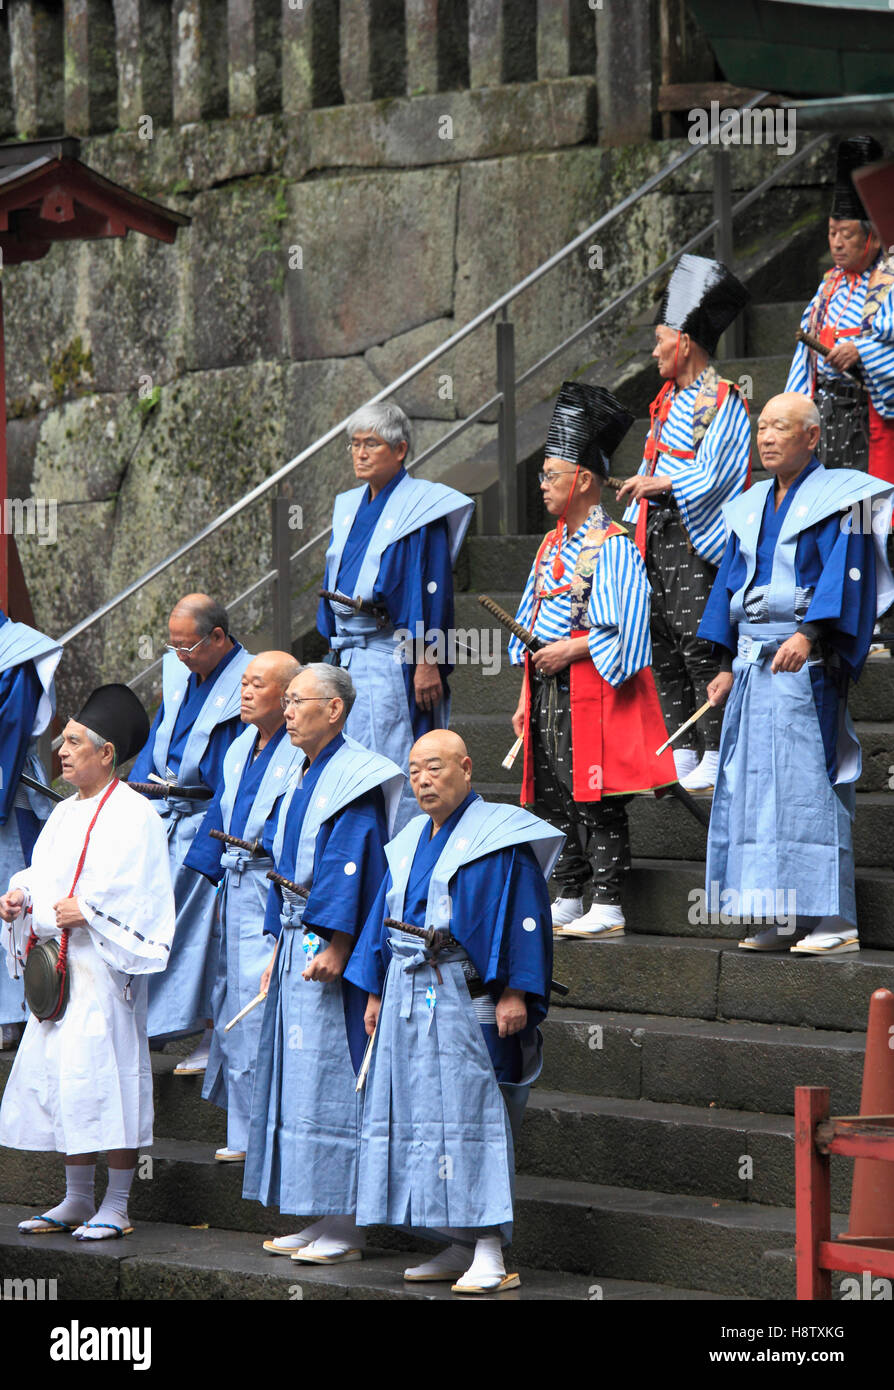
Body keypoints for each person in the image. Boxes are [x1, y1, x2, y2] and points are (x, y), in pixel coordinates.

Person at [347, 730, 562, 1295]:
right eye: (414, 770)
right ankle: (458, 1239)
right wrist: (373, 990)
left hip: (473, 997)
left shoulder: (500, 836)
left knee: (475, 1116)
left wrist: (516, 991)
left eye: (435, 768)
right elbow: (383, 917)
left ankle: (490, 1246)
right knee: (419, 1114)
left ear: (466, 768)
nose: (422, 780)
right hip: (408, 993)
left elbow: (525, 915)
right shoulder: (409, 839)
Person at [699, 393, 894, 955]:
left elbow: (849, 573)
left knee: (812, 787)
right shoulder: (751, 503)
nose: (766, 438)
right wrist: (725, 664)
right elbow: (732, 581)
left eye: (780, 428)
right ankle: (780, 912)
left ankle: (836, 917)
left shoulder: (850, 496)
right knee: (755, 789)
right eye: (761, 427)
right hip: (754, 663)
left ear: (812, 437)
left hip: (806, 665)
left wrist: (810, 632)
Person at [0, 684, 175, 1240]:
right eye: (63, 741)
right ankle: (76, 1197)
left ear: (106, 752)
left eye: (75, 741)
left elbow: (146, 893)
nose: (62, 751)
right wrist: (21, 897)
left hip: (104, 969)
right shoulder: (64, 812)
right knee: (67, 1080)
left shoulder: (137, 813)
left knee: (111, 1079)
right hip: (59, 968)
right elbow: (43, 872)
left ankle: (117, 1205)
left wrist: (92, 911)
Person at [242, 663, 404, 1264]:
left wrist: (338, 945)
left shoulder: (356, 776)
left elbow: (355, 861)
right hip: (295, 937)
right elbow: (280, 866)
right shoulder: (300, 770)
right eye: (283, 701)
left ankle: (347, 1223)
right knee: (298, 1077)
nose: (284, 710)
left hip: (332, 942)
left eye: (295, 700)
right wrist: (277, 948)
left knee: (333, 1075)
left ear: (333, 710)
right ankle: (319, 1212)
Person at [508, 382, 677, 938]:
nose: (542, 486)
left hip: (591, 688)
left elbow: (626, 629)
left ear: (582, 479)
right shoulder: (550, 546)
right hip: (547, 688)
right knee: (553, 793)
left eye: (549, 475)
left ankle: (608, 902)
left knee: (595, 793)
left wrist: (571, 648)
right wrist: (521, 696)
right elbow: (531, 617)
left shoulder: (614, 544)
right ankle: (571, 888)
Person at [618, 254, 751, 792]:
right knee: (661, 646)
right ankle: (683, 747)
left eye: (660, 341)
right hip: (657, 536)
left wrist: (663, 484)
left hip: (698, 539)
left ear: (686, 342)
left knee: (700, 646)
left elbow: (719, 471)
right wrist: (633, 517)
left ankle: (716, 749)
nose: (653, 352)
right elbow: (654, 464)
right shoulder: (666, 402)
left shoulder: (720, 399)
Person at [317, 401, 474, 827]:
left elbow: (432, 590)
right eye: (354, 444)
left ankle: (403, 851)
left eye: (372, 444)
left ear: (400, 449)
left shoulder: (421, 507)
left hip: (394, 656)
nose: (360, 453)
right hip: (348, 655)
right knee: (351, 761)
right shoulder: (349, 506)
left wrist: (428, 660)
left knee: (397, 758)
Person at [184, 651, 303, 1162]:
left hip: (267, 884)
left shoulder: (300, 754)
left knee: (258, 1001)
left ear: (288, 697)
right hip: (233, 884)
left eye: (258, 685)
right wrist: (210, 882)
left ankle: (267, 1132)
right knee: (230, 998)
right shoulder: (237, 749)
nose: (245, 693)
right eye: (245, 684)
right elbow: (217, 814)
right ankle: (242, 1127)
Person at [128, 594, 253, 1065]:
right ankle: (151, 1024)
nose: (179, 656)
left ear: (218, 637)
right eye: (173, 646)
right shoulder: (179, 671)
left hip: (210, 820)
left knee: (207, 930)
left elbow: (239, 774)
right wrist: (134, 800)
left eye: (188, 647)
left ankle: (207, 1034)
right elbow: (156, 742)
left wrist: (210, 846)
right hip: (163, 813)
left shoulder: (249, 680)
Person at [785, 136, 894, 485]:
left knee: (865, 509)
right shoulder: (828, 285)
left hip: (867, 410)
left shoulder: (888, 281)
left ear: (872, 238)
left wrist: (861, 349)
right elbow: (805, 354)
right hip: (826, 415)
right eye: (832, 233)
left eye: (846, 234)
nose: (836, 242)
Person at [0, 607, 61, 1046]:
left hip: (10, 787)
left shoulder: (20, 651)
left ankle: (18, 1008)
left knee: (14, 892)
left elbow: (12, 728)